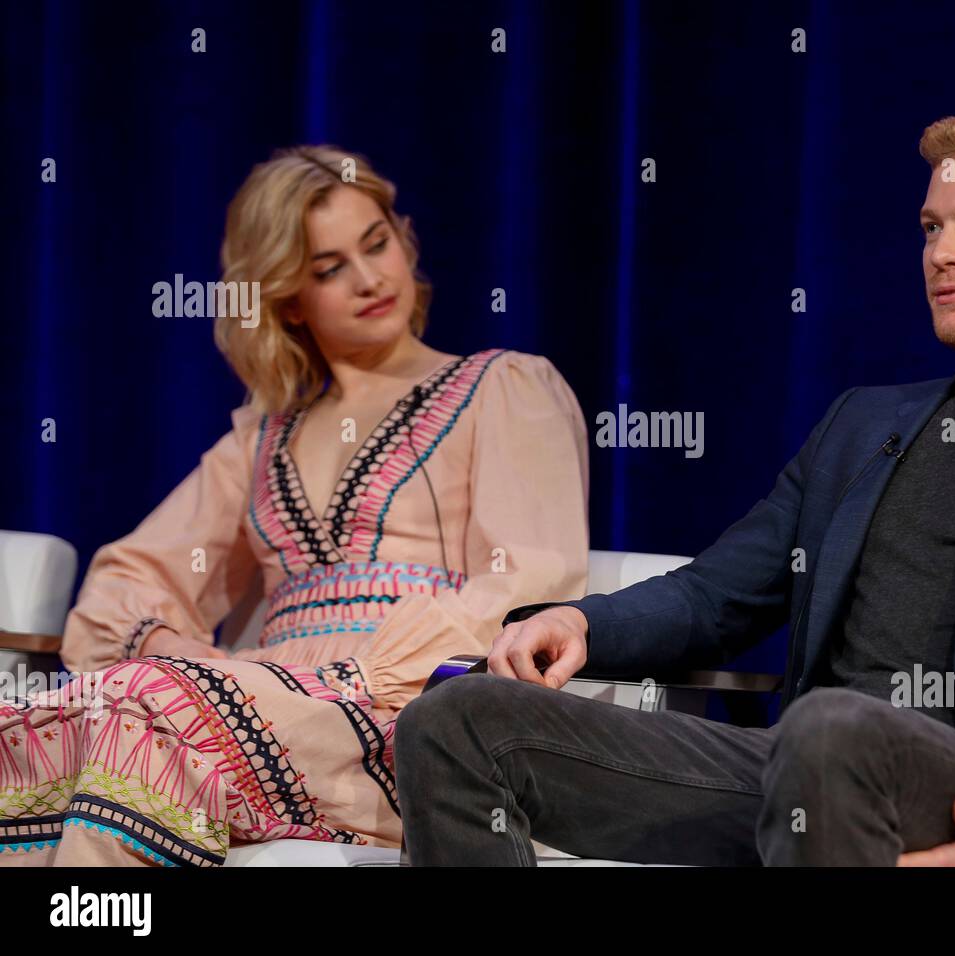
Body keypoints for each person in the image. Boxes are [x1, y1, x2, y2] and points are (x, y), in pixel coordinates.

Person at [394, 107, 955, 867]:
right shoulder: (861, 423)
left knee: (831, 730)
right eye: (931, 226)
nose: (943, 252)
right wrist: (578, 618)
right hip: (798, 774)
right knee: (457, 720)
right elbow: (717, 594)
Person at [0, 146, 589, 866]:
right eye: (328, 269)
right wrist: (177, 655)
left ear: (403, 238)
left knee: (149, 711)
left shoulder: (503, 387)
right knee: (30, 731)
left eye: (377, 244)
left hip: (415, 712)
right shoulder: (263, 436)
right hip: (257, 704)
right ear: (286, 298)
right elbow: (127, 581)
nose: (370, 278)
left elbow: (527, 588)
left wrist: (361, 675)